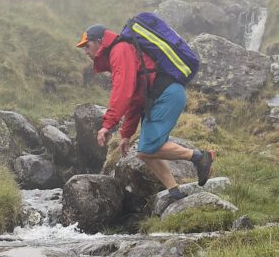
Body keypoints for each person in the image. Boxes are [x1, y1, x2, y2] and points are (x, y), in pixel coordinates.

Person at [76, 24, 213, 207]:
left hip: (167, 95)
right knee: (145, 152)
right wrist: (126, 134)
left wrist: (107, 124)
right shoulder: (118, 52)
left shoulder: (119, 50)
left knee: (147, 148)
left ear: (100, 42)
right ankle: (175, 192)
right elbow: (134, 99)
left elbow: (122, 90)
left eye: (87, 45)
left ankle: (200, 157)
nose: (85, 51)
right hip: (160, 98)